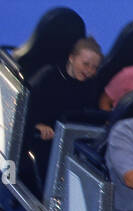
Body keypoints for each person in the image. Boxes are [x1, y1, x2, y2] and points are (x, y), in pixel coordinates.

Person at [25, 36, 103, 178]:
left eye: (94, 68)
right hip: (40, 140)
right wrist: (38, 125)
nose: (89, 71)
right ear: (72, 58)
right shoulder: (48, 76)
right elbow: (25, 107)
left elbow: (88, 117)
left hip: (69, 143)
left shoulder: (91, 86)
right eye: (85, 64)